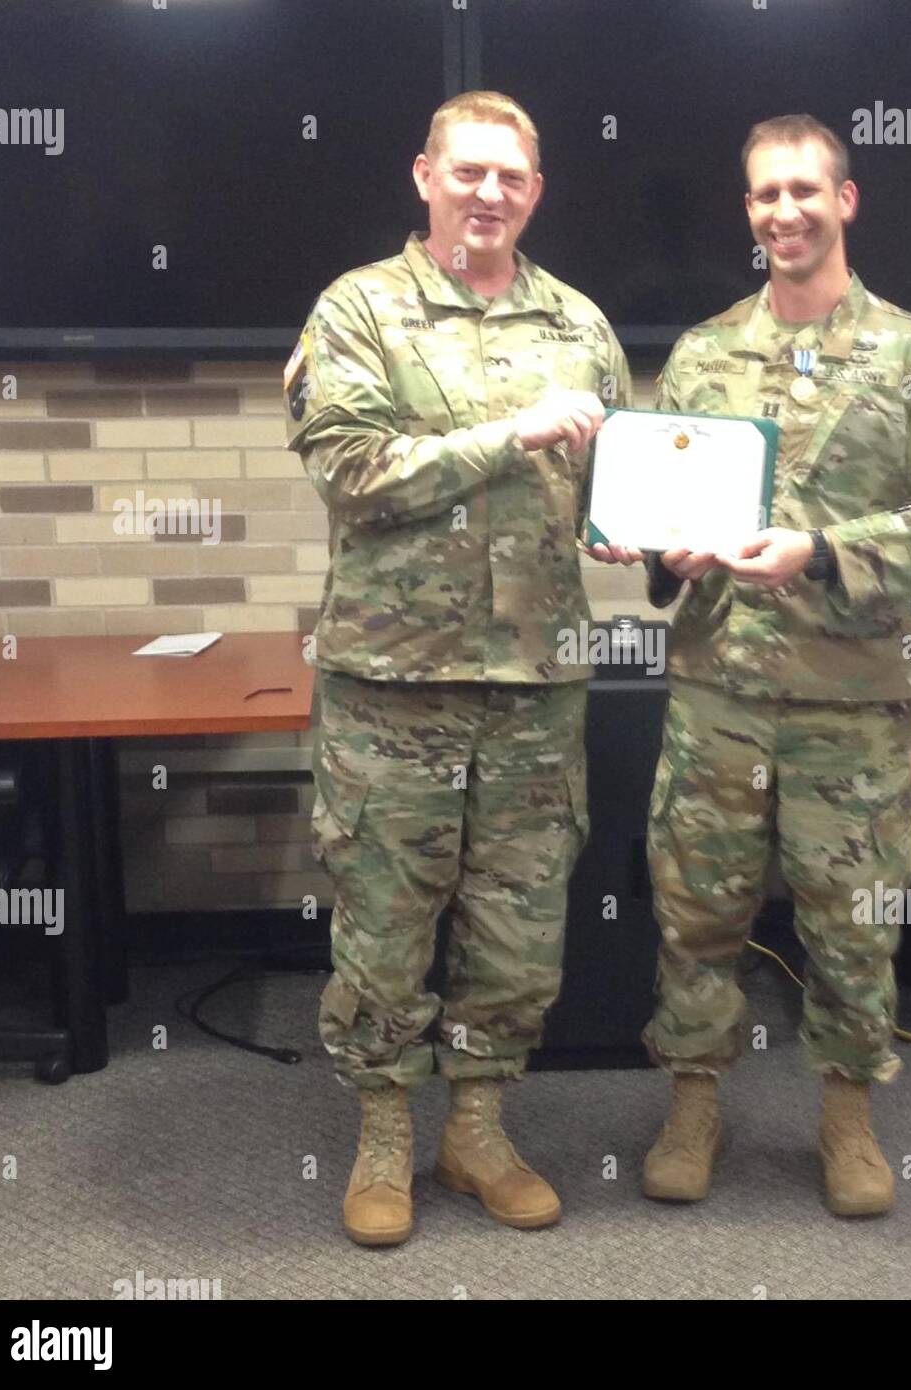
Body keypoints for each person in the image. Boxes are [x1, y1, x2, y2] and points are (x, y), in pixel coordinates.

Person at [285, 91, 630, 1246]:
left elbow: (604, 485)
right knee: (384, 919)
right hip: (395, 687)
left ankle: (476, 1127)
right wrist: (510, 435)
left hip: (536, 687)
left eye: (513, 177)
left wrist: (623, 526)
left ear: (536, 191)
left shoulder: (579, 324)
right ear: (423, 174)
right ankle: (384, 1134)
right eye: (468, 171)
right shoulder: (360, 311)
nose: (490, 193)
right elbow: (352, 470)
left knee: (518, 925)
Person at [634, 114, 911, 1216]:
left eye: (801, 190)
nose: (781, 211)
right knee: (697, 912)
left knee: (853, 917)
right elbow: (661, 514)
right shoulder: (702, 353)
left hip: (853, 702)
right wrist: (664, 550)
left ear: (846, 199)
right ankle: (694, 1102)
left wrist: (826, 552)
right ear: (748, 213)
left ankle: (847, 1114)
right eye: (761, 196)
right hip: (719, 692)